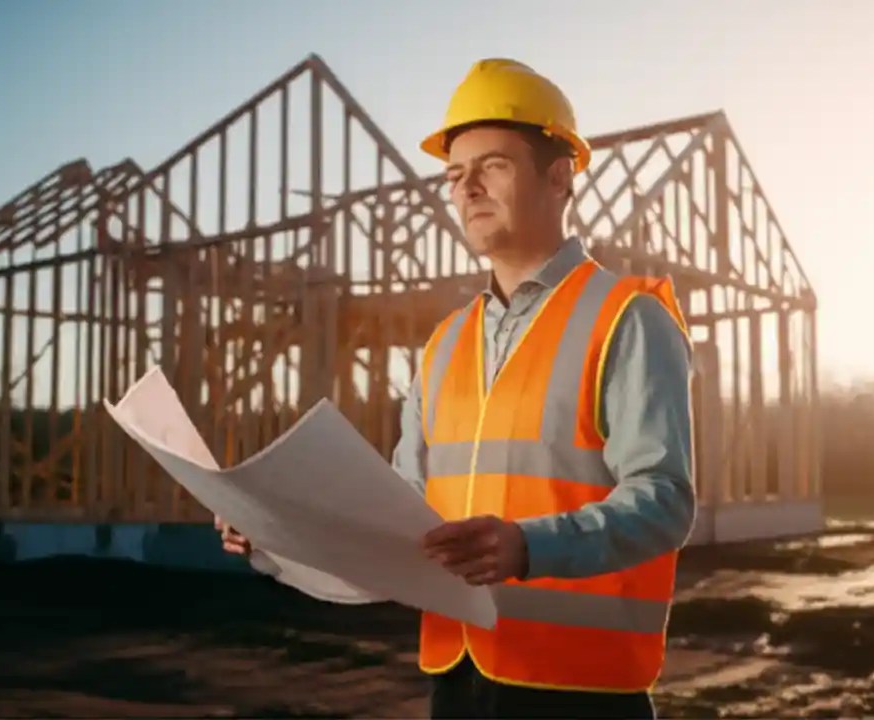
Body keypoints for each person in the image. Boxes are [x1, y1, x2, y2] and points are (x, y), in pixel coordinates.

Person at [217, 58, 696, 719]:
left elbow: (665, 501)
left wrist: (529, 545)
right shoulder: (445, 346)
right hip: (458, 682)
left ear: (560, 177)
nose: (466, 188)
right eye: (453, 174)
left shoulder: (627, 318)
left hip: (582, 692)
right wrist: (275, 536)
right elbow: (399, 522)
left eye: (492, 165)